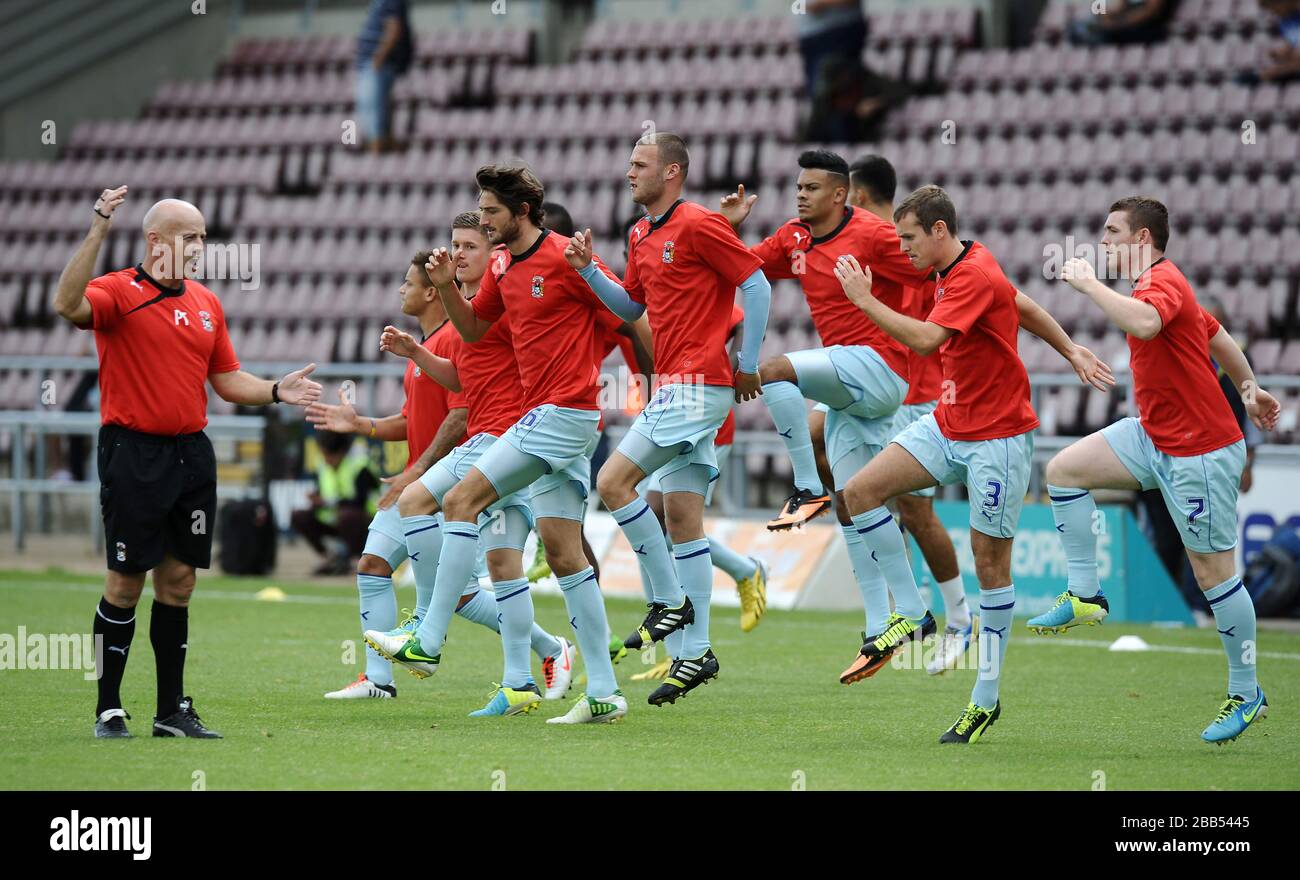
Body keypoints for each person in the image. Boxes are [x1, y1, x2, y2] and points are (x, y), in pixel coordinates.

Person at [833, 184, 1113, 743]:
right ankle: (912, 613)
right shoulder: (965, 266)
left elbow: (927, 341)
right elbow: (1024, 304)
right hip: (948, 422)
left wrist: (865, 300)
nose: (903, 248)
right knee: (859, 493)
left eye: (909, 238)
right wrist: (1071, 348)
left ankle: (984, 699)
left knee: (991, 568)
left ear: (940, 231)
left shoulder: (970, 274)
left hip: (998, 439)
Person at [55, 186, 321, 738]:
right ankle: (108, 708)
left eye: (202, 236)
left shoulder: (205, 303)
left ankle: (170, 711)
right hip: (133, 453)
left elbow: (225, 380)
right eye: (190, 237)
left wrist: (276, 389)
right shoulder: (117, 291)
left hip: (192, 456)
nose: (201, 246)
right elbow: (66, 304)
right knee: (125, 582)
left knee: (178, 582)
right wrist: (99, 225)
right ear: (156, 241)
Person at [370, 165, 630, 725]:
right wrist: (443, 288)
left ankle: (430, 637)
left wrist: (590, 274)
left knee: (459, 501)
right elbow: (475, 331)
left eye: (490, 213)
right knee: (564, 556)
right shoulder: (503, 266)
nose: (483, 220)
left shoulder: (565, 254)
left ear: (521, 213)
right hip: (553, 421)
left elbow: (629, 310)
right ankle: (605, 692)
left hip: (563, 413)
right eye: (480, 211)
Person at [1039, 196, 1281, 744]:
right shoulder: (1160, 285)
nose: (1102, 242)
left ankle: (1247, 692)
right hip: (1151, 435)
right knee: (1062, 472)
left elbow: (1147, 325)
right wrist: (1248, 387)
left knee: (1212, 574)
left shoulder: (1159, 283)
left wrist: (1088, 286)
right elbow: (1216, 335)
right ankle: (1085, 594)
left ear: (1142, 239)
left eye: (1112, 232)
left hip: (1200, 450)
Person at [573, 132, 771, 706]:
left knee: (612, 483)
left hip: (696, 386)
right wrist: (589, 272)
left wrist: (750, 361)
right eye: (629, 161)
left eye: (641, 164)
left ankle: (667, 601)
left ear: (674, 172)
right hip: (676, 386)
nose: (629, 171)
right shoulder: (640, 233)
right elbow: (634, 308)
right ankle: (694, 651)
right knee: (684, 520)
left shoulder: (700, 223)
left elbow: (755, 283)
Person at [847, 154, 973, 675]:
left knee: (916, 513)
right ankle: (897, 609)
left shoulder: (913, 251)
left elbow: (927, 335)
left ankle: (955, 617)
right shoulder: (893, 247)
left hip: (922, 393)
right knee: (851, 486)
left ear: (857, 198)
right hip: (892, 391)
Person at [290, 429, 378, 575]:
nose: (325, 459)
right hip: (336, 519)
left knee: (347, 516)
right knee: (299, 515)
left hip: (366, 523)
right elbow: (325, 491)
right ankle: (328, 557)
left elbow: (360, 502)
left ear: (342, 452)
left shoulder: (360, 466)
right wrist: (315, 499)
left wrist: (327, 503)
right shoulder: (323, 465)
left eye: (328, 455)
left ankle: (356, 560)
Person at [355, 0, 413, 153]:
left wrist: (378, 59)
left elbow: (394, 28)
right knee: (371, 109)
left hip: (377, 65)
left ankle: (376, 153)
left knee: (374, 110)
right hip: (370, 64)